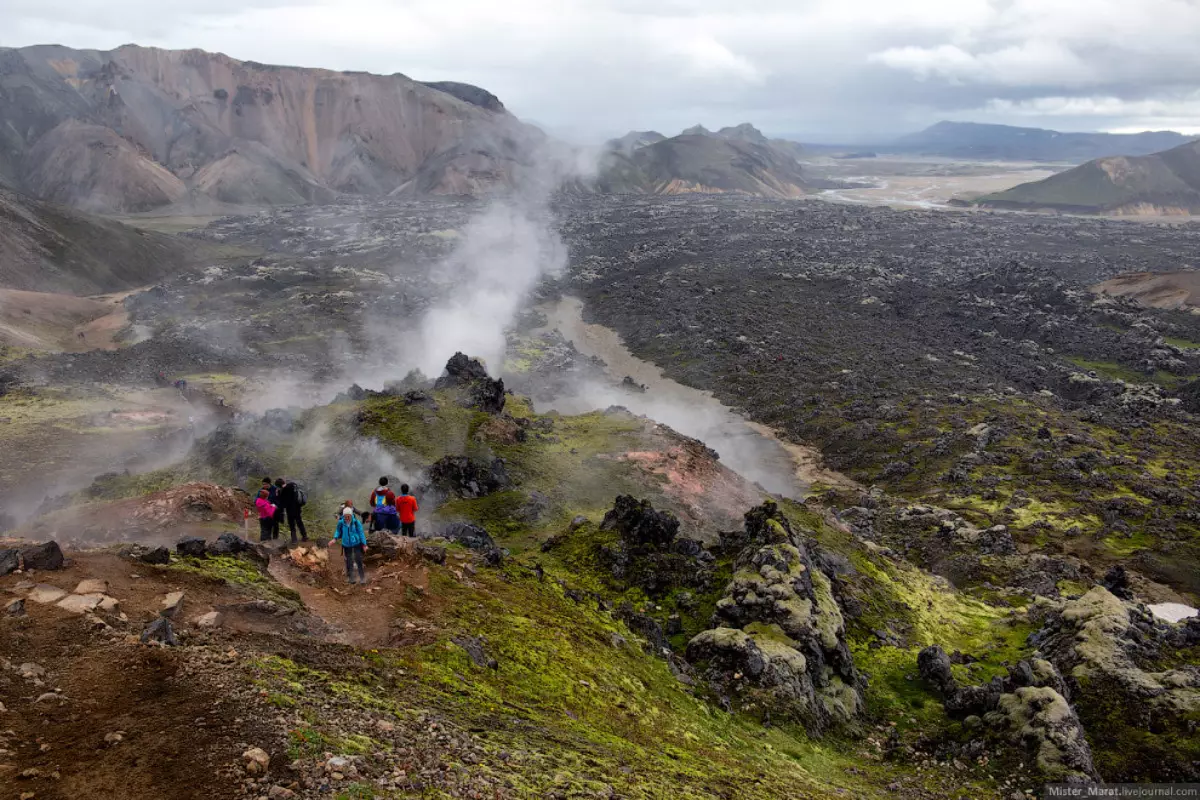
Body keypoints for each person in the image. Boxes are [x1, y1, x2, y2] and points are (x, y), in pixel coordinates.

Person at [331, 506, 368, 584]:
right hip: (346, 545)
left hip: (356, 544)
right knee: (349, 562)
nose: (347, 518)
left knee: (358, 560)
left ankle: (362, 578)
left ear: (351, 515)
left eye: (349, 516)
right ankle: (351, 578)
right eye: (345, 516)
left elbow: (361, 533)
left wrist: (364, 545)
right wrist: (335, 538)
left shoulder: (356, 522)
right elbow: (338, 531)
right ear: (343, 516)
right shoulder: (341, 522)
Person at [278, 478, 308, 544]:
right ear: (284, 482)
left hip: (290, 510)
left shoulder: (283, 491)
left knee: (292, 524)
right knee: (299, 522)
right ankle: (305, 536)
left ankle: (294, 539)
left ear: (279, 485)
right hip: (297, 508)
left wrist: (279, 494)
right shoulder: (293, 486)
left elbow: (282, 503)